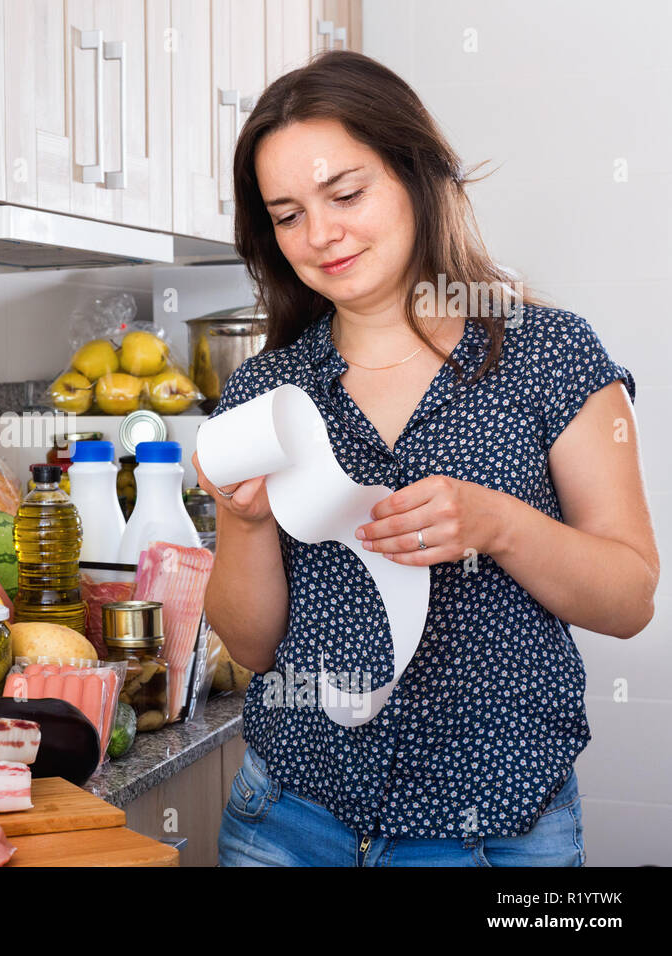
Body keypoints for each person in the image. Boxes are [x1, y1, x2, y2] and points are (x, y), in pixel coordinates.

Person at [198, 50, 659, 867]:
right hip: (290, 820)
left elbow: (628, 598)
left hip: (495, 831)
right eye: (288, 214)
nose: (322, 233)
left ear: (416, 176)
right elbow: (252, 647)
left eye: (346, 193)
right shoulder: (267, 392)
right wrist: (243, 525)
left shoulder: (548, 355)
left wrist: (500, 524)